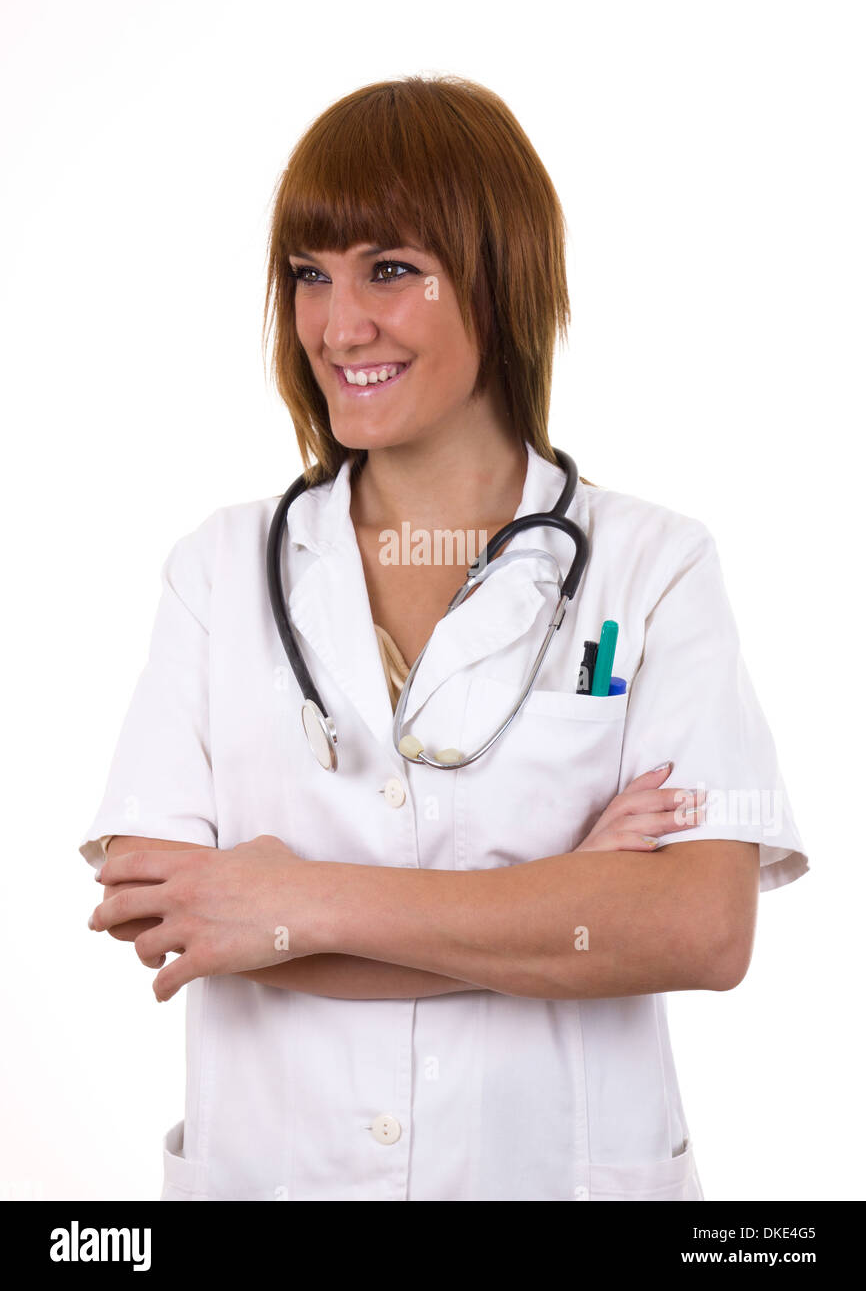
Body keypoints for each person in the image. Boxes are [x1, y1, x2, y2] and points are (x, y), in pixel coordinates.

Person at [80, 75, 808, 1202]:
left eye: (390, 270)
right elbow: (169, 915)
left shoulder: (650, 566)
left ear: (500, 276)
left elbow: (699, 929)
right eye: (309, 275)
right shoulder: (219, 572)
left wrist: (294, 904)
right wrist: (564, 896)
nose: (338, 323)